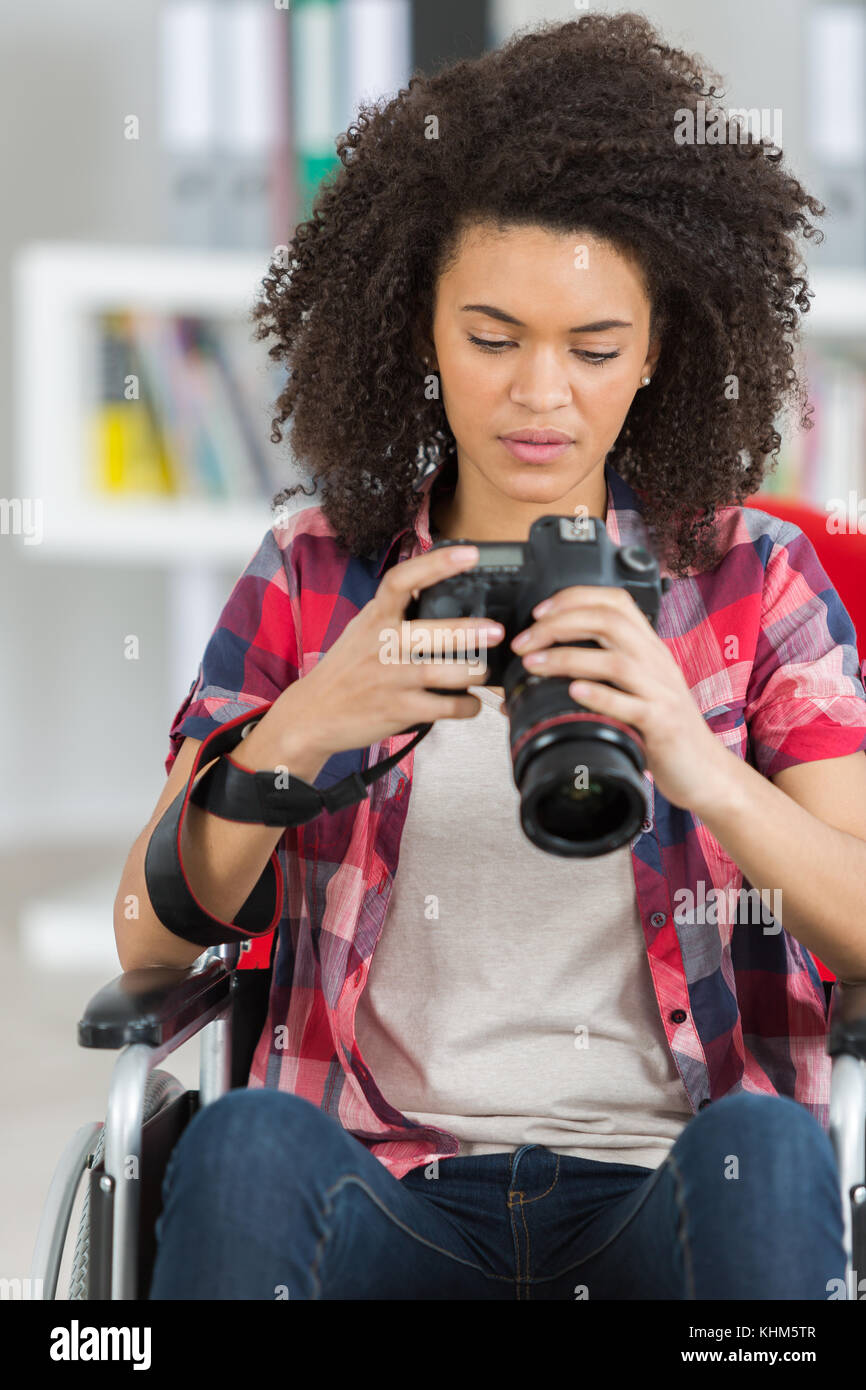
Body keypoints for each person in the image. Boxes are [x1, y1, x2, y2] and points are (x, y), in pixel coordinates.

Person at [131, 13, 866, 1299]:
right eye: (489, 338)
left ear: (654, 351)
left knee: (766, 1144)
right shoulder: (314, 569)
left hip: (666, 1189)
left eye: (591, 349)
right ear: (420, 330)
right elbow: (146, 943)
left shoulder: (754, 578)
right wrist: (303, 725)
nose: (540, 393)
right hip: (384, 1189)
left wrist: (696, 763)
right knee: (245, 1143)